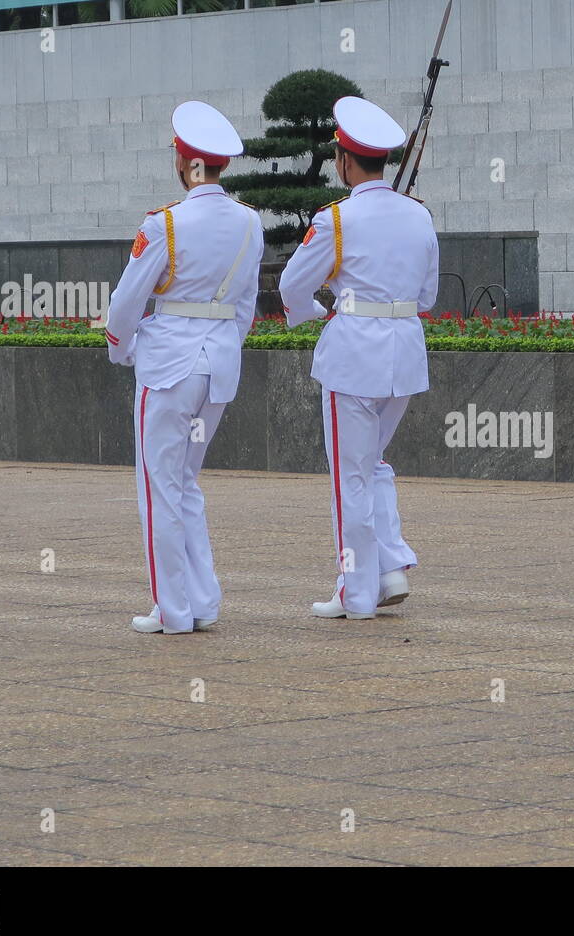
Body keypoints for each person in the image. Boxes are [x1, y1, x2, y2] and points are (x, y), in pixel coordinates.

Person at [104, 100, 264, 635]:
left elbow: (127, 304)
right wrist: (221, 343)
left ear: (185, 160)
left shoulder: (165, 224)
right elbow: (245, 308)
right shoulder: (249, 223)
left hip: (168, 364)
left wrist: (120, 346)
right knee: (186, 483)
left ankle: (173, 610)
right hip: (218, 368)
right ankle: (202, 600)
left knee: (160, 485)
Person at [278, 96, 439, 620]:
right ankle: (390, 568)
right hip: (404, 359)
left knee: (350, 478)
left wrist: (319, 310)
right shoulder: (419, 216)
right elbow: (429, 297)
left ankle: (355, 593)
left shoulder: (336, 220)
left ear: (345, 160)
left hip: (352, 360)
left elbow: (292, 285)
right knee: (371, 466)